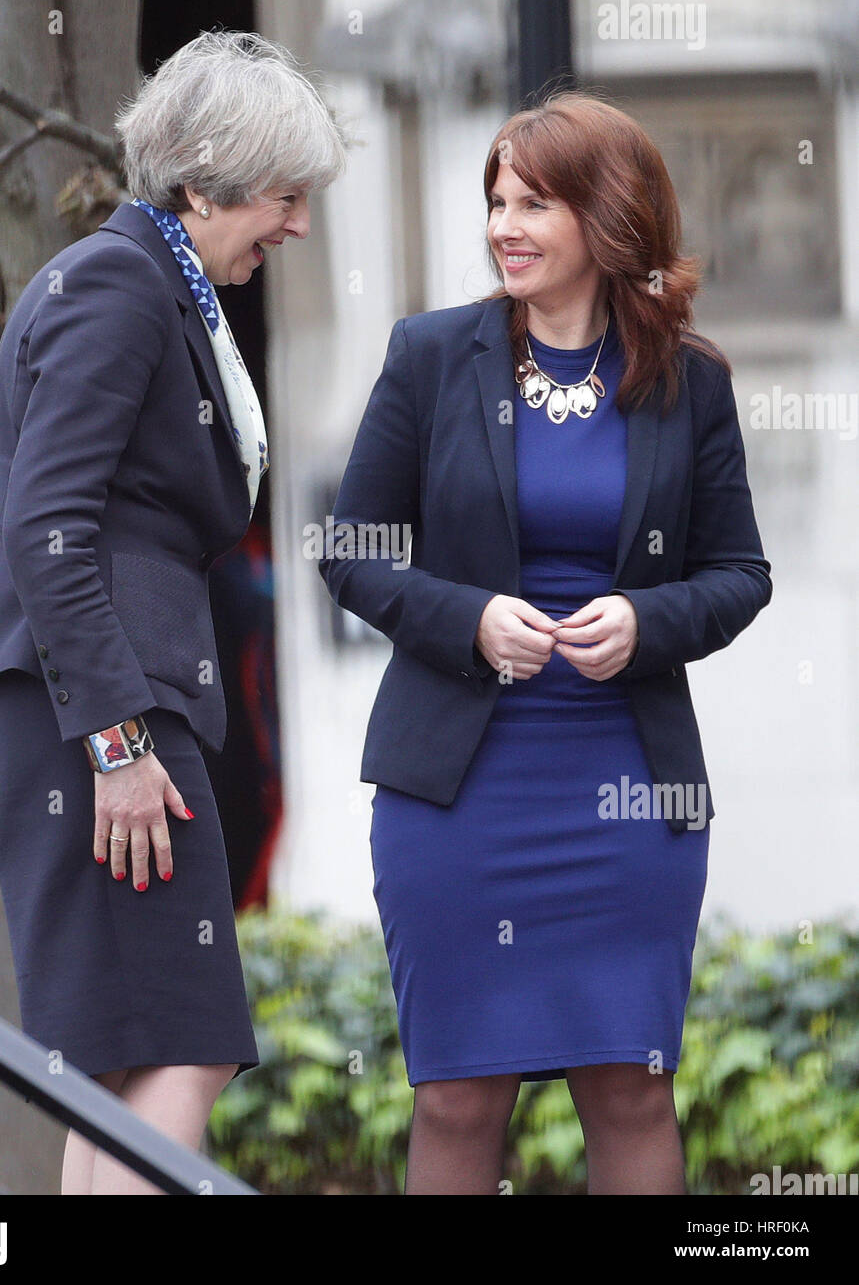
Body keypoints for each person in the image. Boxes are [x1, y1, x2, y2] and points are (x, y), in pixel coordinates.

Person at [318, 90, 772, 1195]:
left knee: (628, 1085)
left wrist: (646, 621)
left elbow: (738, 573)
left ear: (607, 220)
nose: (502, 226)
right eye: (495, 201)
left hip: (625, 784)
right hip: (458, 791)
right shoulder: (429, 358)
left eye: (532, 203)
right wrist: (466, 617)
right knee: (459, 1091)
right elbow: (350, 548)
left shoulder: (687, 379)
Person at [0, 30, 349, 1194]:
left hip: (104, 698)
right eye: (285, 196)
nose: (298, 226)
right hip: (101, 710)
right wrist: (117, 740)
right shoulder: (121, 282)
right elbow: (47, 526)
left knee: (139, 1052)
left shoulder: (148, 283)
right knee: (186, 1037)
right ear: (206, 178)